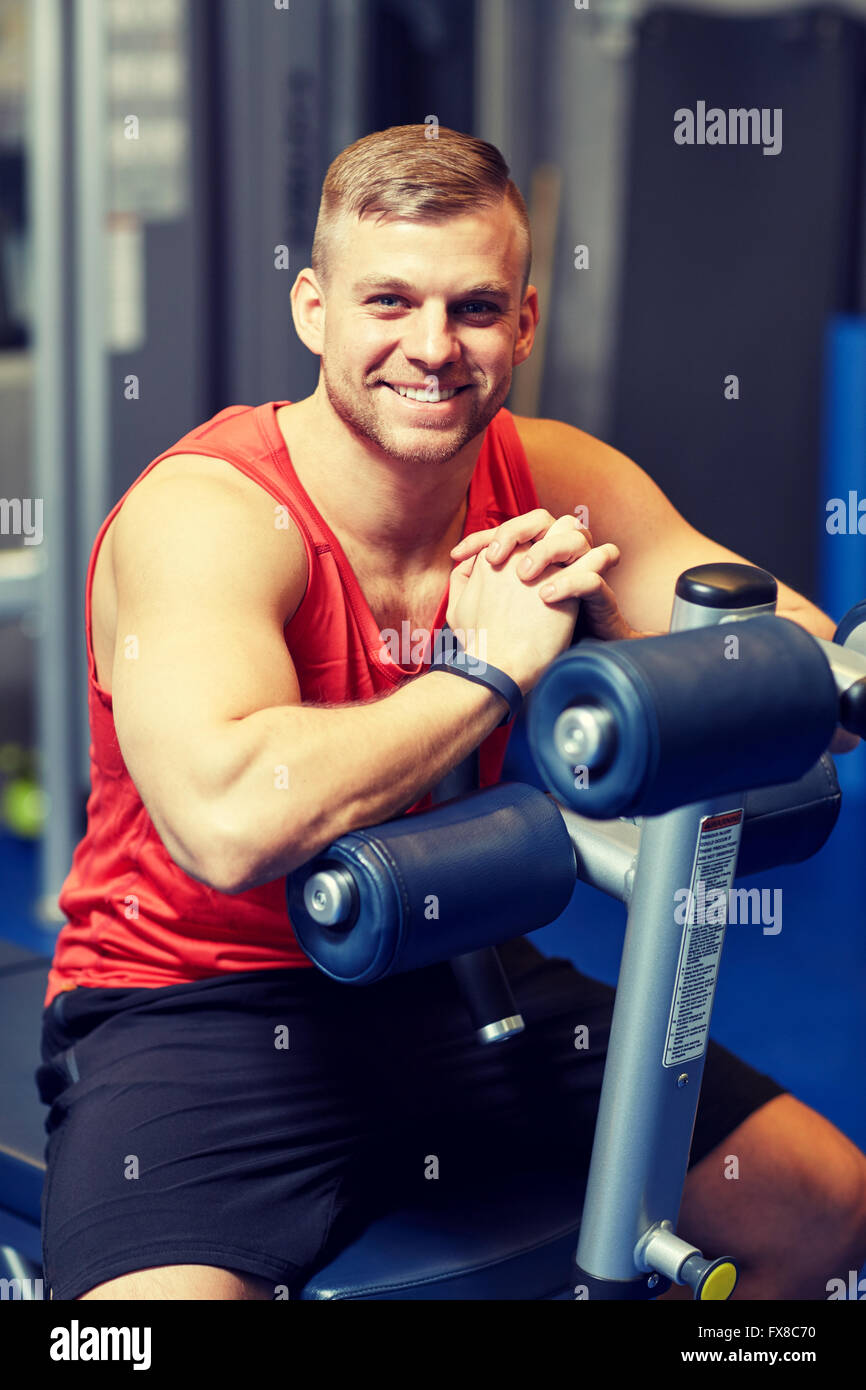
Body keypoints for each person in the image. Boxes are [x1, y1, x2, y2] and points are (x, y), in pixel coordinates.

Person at [36, 124, 866, 1301]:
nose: (431, 349)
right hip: (197, 1006)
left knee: (821, 1211)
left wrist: (819, 668)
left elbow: (803, 666)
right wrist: (483, 675)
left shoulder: (552, 476)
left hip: (452, 964)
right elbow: (225, 826)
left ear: (523, 323)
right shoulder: (208, 515)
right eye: (388, 302)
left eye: (475, 308)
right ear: (313, 309)